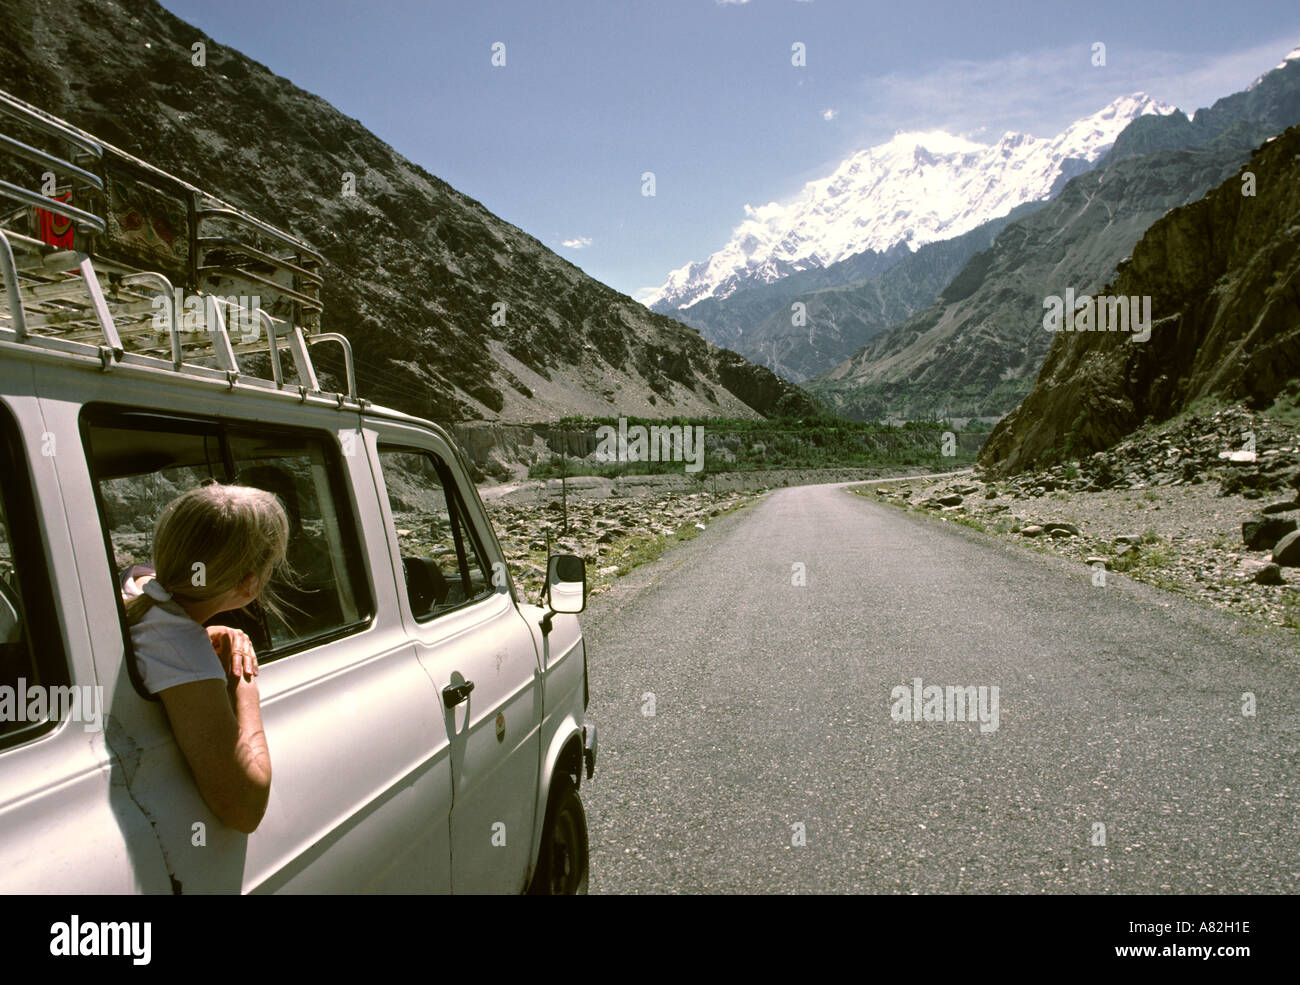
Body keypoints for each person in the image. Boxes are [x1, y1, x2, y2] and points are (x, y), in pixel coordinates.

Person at [120, 483, 290, 834]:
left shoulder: (136, 587)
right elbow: (245, 808)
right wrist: (244, 682)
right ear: (249, 584)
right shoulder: (182, 648)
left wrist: (209, 633)